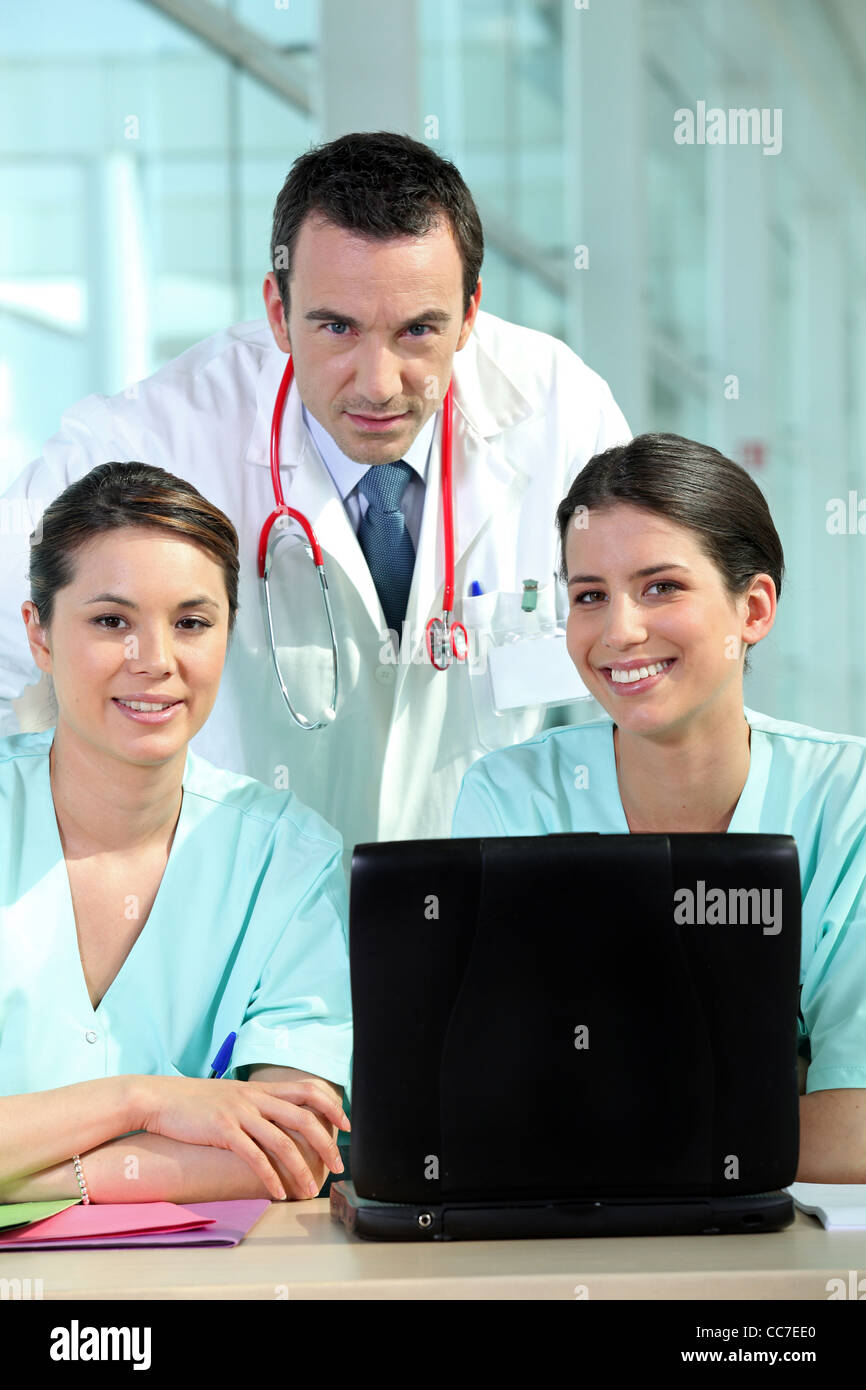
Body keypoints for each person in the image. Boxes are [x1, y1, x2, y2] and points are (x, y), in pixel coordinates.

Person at [0, 131, 629, 874]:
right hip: (231, 903)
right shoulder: (147, 438)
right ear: (277, 310)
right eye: (336, 327)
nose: (378, 383)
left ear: (470, 313)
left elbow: (646, 664)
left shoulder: (558, 414)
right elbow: (14, 660)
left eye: (418, 330)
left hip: (482, 913)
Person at [452, 433, 866, 1184]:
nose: (619, 632)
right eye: (589, 596)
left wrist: (615, 1115)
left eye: (661, 587)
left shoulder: (849, 799)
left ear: (756, 607)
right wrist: (769, 1096)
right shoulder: (512, 796)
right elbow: (493, 1112)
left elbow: (859, 1131)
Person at [0, 462, 352, 1206]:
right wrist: (145, 1102)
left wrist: (31, 1172)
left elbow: (291, 1153)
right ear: (39, 633)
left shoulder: (287, 861)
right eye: (110, 621)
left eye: (191, 623)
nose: (154, 661)